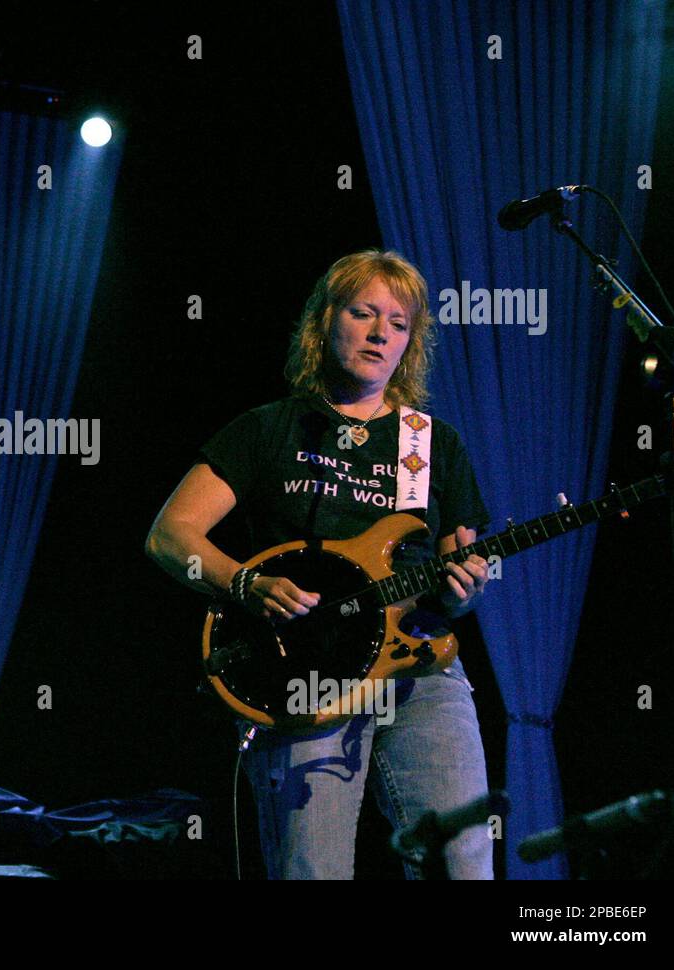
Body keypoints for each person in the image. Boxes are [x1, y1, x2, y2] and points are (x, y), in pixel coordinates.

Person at [145, 249, 494, 879]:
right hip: (303, 669)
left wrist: (466, 590)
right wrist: (246, 584)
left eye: (398, 321)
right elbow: (171, 535)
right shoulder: (268, 430)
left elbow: (458, 570)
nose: (380, 331)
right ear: (324, 320)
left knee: (462, 862)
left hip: (418, 669)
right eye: (363, 313)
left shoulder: (433, 443)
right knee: (314, 867)